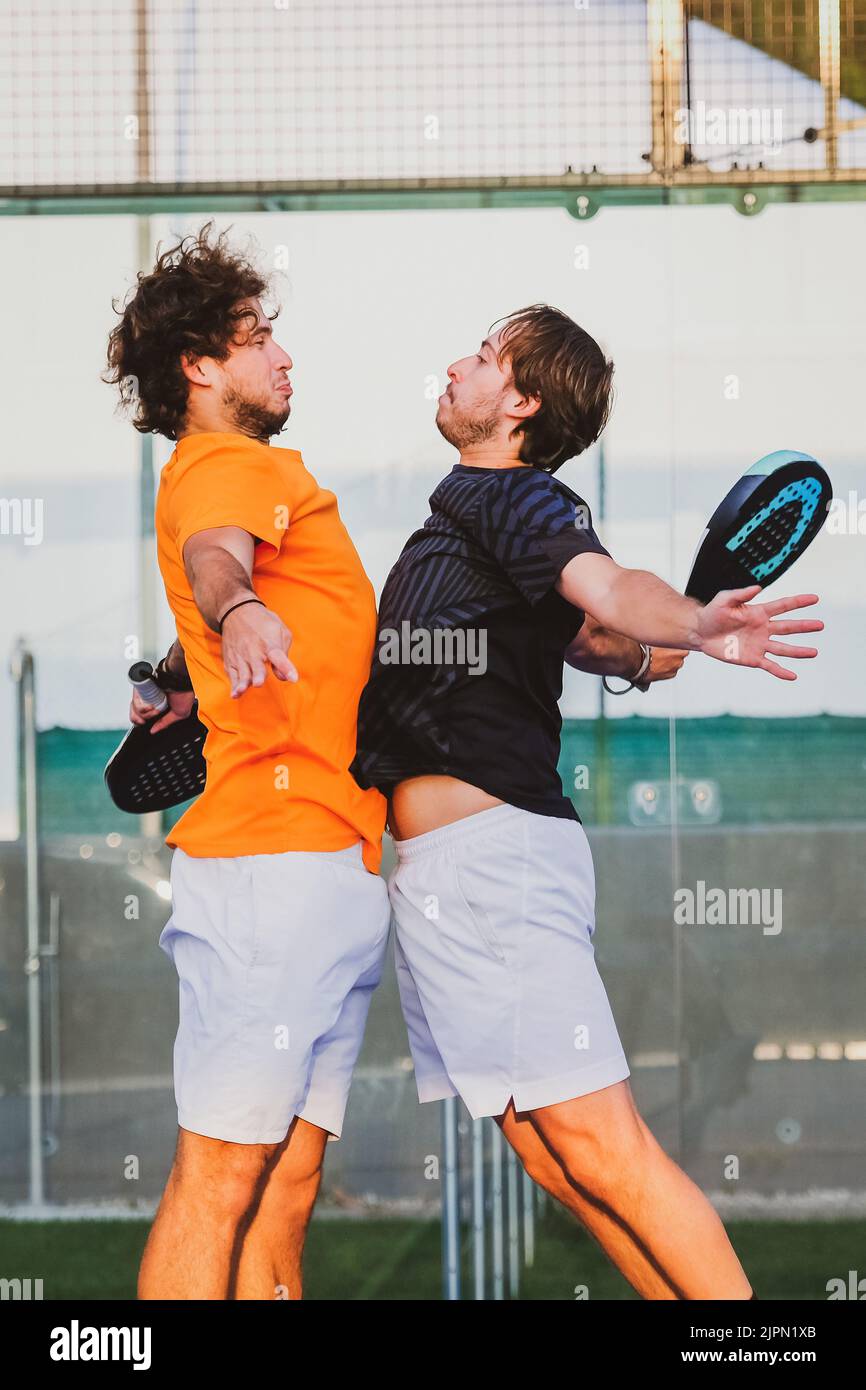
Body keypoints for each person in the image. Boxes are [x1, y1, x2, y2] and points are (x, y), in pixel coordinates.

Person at [350, 304, 823, 1299]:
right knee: (553, 1156)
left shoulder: (516, 497)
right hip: (447, 879)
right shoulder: (468, 526)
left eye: (480, 358)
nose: (453, 366)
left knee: (603, 1148)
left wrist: (689, 617)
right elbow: (596, 635)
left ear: (518, 402)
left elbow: (607, 587)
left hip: (493, 866)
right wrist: (665, 650)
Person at [105, 225, 390, 1300]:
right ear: (199, 365)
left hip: (330, 858)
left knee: (287, 1180)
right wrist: (238, 607)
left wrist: (187, 671)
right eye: (258, 337)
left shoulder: (237, 474)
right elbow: (212, 556)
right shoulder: (229, 465)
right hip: (269, 871)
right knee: (222, 1174)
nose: (282, 357)